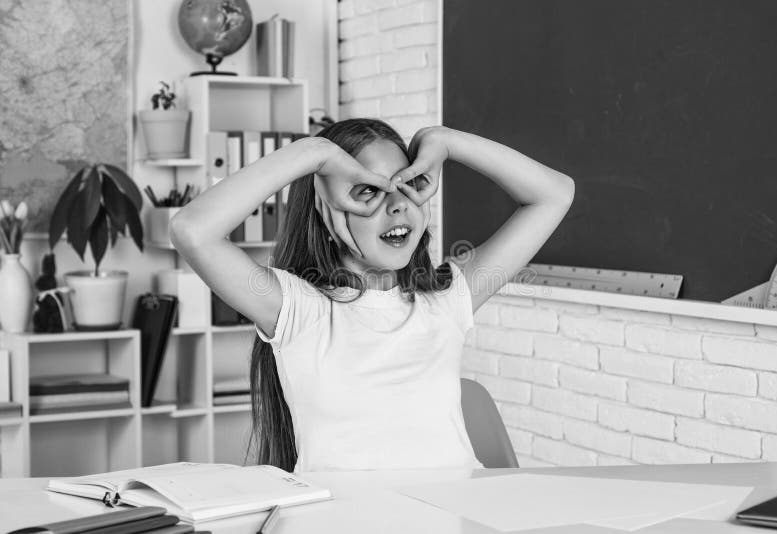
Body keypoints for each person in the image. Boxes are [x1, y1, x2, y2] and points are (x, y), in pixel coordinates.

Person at [169, 118, 574, 473]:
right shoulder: (297, 309)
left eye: (408, 184)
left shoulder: (448, 299)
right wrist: (314, 154)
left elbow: (555, 193)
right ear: (326, 209)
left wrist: (446, 141)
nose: (397, 205)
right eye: (367, 190)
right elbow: (192, 230)